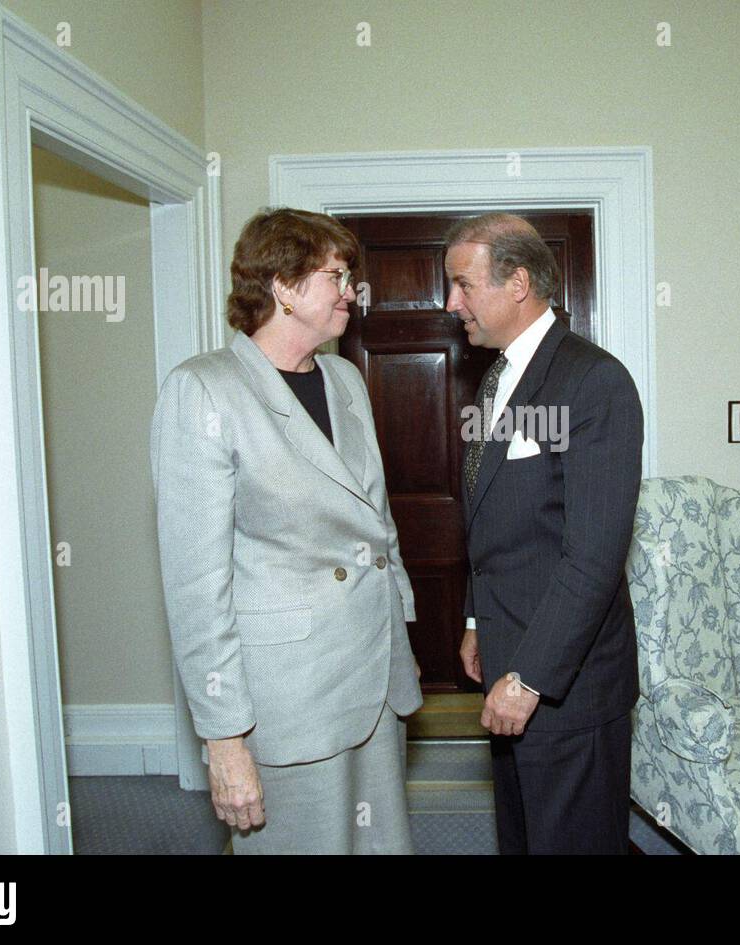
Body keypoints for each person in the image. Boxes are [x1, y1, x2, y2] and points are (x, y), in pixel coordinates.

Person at [150, 207, 422, 854]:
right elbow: (196, 586)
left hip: (375, 672)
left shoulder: (345, 379)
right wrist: (224, 740)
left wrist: (400, 625)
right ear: (282, 285)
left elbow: (377, 521)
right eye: (336, 274)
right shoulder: (204, 393)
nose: (350, 289)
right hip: (289, 693)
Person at [448, 213, 643, 854]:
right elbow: (491, 518)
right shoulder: (494, 378)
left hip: (567, 684)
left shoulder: (596, 382)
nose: (453, 305)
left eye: (462, 285)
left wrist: (529, 678)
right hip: (505, 654)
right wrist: (478, 622)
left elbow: (594, 556)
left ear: (518, 283)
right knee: (524, 834)